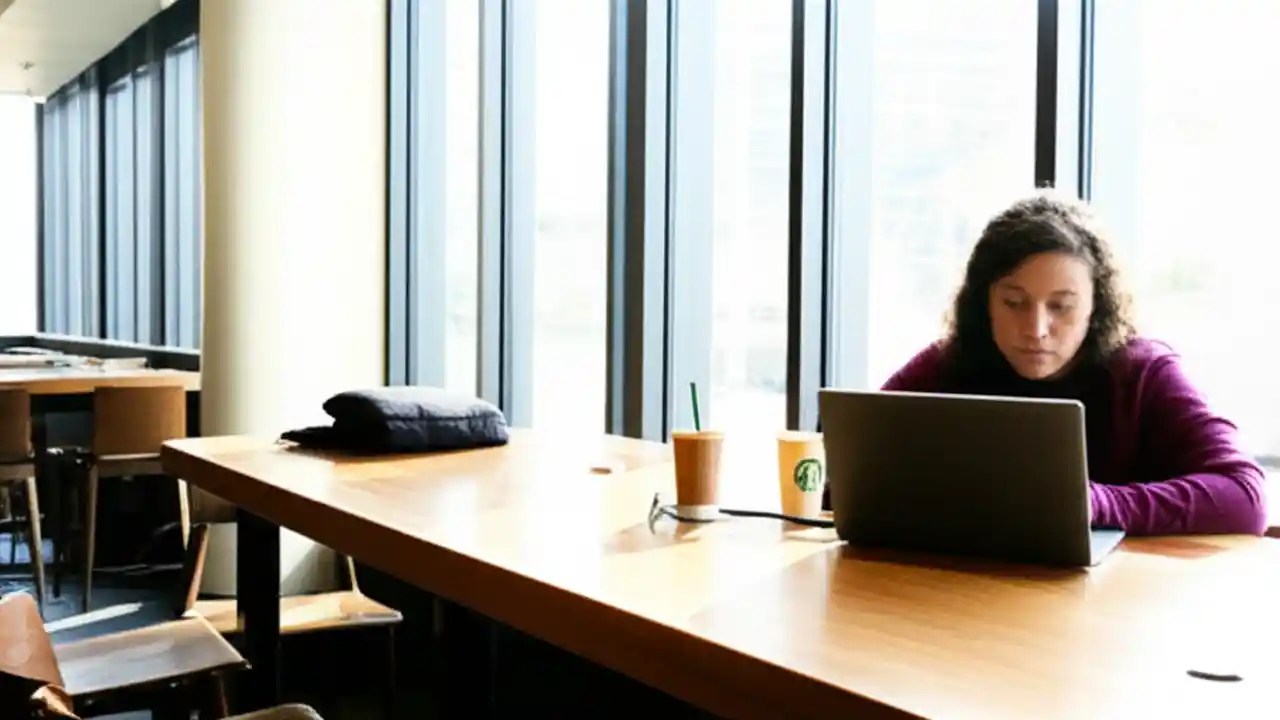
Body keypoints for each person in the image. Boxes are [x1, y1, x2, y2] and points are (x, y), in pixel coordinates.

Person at [877, 192, 1266, 536]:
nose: (1036, 329)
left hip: (1112, 602)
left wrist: (1098, 504)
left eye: (1061, 306)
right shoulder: (951, 362)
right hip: (959, 589)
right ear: (984, 303)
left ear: (1095, 308)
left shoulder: (1145, 373)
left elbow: (1245, 497)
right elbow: (846, 459)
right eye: (1014, 303)